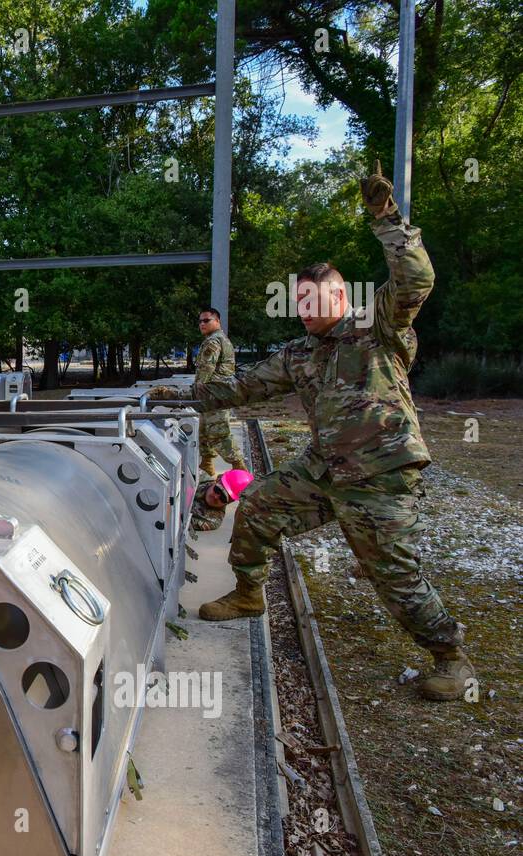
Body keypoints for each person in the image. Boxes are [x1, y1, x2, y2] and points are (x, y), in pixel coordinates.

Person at [149, 162, 470, 702]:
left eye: (311, 301)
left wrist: (386, 217)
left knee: (393, 577)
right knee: (255, 507)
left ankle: (451, 658)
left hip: (381, 477)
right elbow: (240, 389)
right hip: (323, 471)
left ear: (339, 298)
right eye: (296, 302)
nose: (301, 311)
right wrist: (178, 396)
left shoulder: (378, 328)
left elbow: (416, 278)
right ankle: (249, 594)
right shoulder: (299, 354)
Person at [193, 306, 247, 477]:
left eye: (206, 320)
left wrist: (199, 386)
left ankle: (239, 466)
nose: (202, 324)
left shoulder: (213, 341)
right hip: (216, 394)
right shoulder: (221, 339)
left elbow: (207, 367)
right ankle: (207, 463)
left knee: (218, 433)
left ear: (217, 321)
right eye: (200, 321)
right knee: (204, 430)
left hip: (215, 394)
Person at [190, 468, 254, 533]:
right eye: (217, 490)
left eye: (223, 498)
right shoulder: (198, 475)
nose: (216, 497)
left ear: (230, 502)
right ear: (217, 480)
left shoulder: (212, 520)